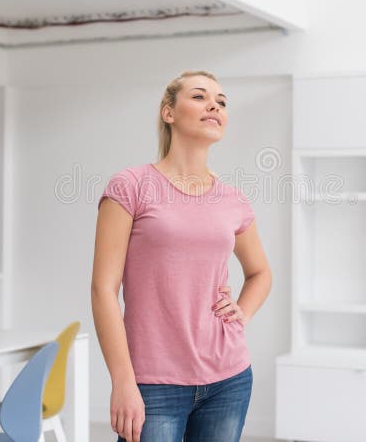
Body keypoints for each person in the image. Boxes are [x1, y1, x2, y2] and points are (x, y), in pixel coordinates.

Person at [91, 70, 273, 442]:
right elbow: (102, 290)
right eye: (200, 96)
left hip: (229, 379)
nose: (214, 106)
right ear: (168, 113)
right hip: (153, 384)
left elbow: (260, 273)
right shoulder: (131, 186)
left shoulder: (233, 199)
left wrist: (242, 314)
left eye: (221, 102)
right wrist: (123, 380)